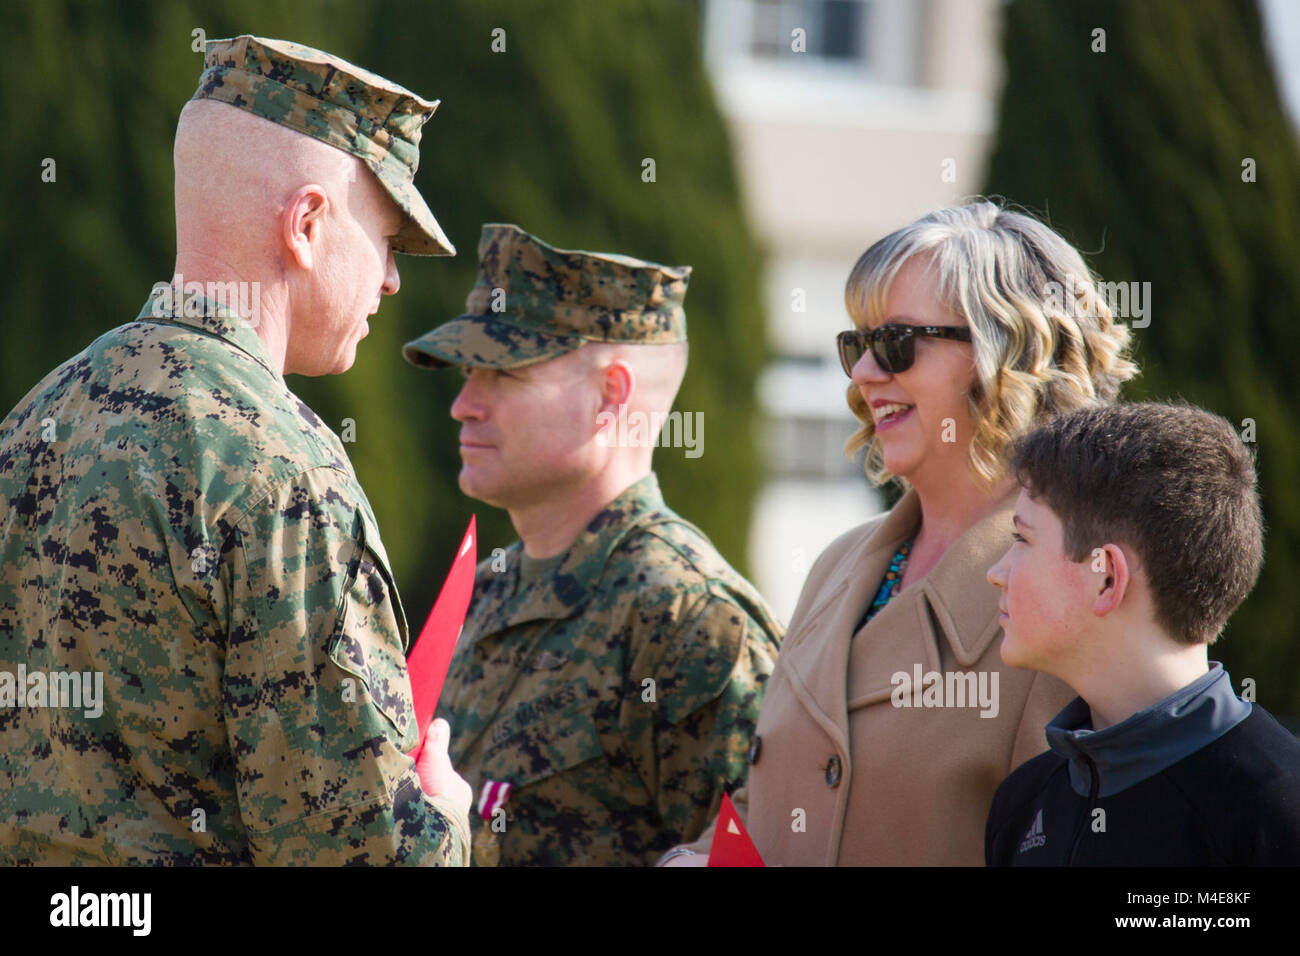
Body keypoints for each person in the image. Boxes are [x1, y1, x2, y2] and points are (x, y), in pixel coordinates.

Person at [0, 35, 472, 865]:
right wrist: (447, 819)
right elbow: (361, 853)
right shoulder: (285, 474)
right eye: (388, 240)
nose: (392, 280)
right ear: (308, 225)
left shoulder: (30, 423)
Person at [663, 199, 1139, 866]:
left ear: (1008, 354)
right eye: (855, 345)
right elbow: (776, 793)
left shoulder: (1075, 592)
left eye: (895, 343)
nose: (863, 373)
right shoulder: (837, 566)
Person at [402, 223, 784, 866]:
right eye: (468, 373)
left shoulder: (691, 621)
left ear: (611, 396)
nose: (463, 405)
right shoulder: (489, 587)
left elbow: (760, 853)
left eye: (502, 374)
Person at [985, 401, 1300, 865]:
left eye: (1022, 539)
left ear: (1106, 577)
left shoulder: (1279, 813)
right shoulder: (1022, 805)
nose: (996, 573)